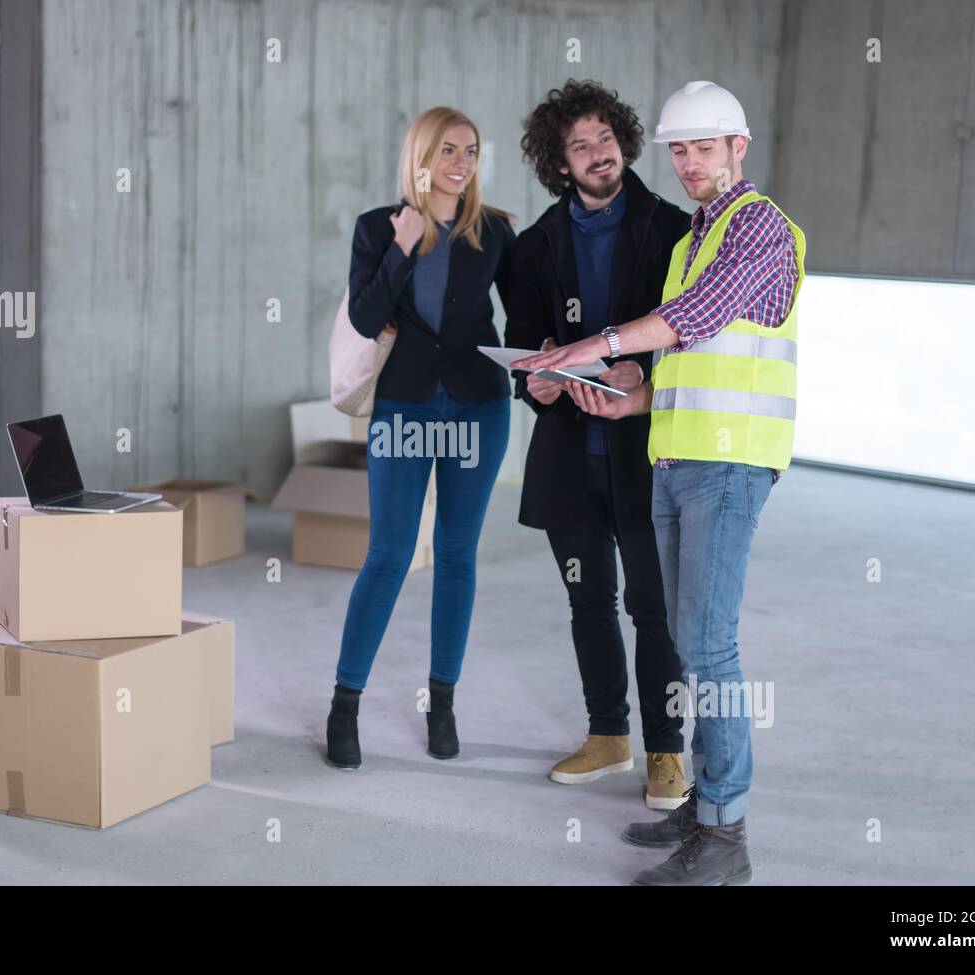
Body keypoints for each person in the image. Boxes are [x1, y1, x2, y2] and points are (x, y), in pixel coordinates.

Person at [514, 80, 806, 886]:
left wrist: (589, 346)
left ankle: (727, 838)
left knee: (710, 647)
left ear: (738, 147)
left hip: (728, 461)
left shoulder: (760, 230)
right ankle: (702, 806)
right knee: (686, 640)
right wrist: (622, 396)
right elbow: (678, 362)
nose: (688, 164)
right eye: (679, 149)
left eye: (703, 147)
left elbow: (692, 318)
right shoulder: (689, 242)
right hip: (672, 458)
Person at [504, 79, 691, 809]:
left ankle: (667, 751)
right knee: (589, 601)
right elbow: (525, 347)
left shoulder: (674, 229)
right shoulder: (532, 248)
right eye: (578, 144)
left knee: (655, 607)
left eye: (603, 137)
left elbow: (690, 336)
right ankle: (609, 734)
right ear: (559, 162)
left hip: (646, 454)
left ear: (623, 142)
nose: (595, 152)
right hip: (568, 460)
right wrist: (537, 384)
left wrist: (637, 369)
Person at [325, 106, 516, 770]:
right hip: (404, 406)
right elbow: (365, 314)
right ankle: (344, 707)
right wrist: (404, 246)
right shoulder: (379, 227)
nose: (463, 162)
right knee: (389, 554)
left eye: (471, 150)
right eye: (449, 149)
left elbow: (526, 313)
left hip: (478, 407)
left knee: (458, 555)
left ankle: (442, 704)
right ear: (422, 156)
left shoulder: (494, 231)